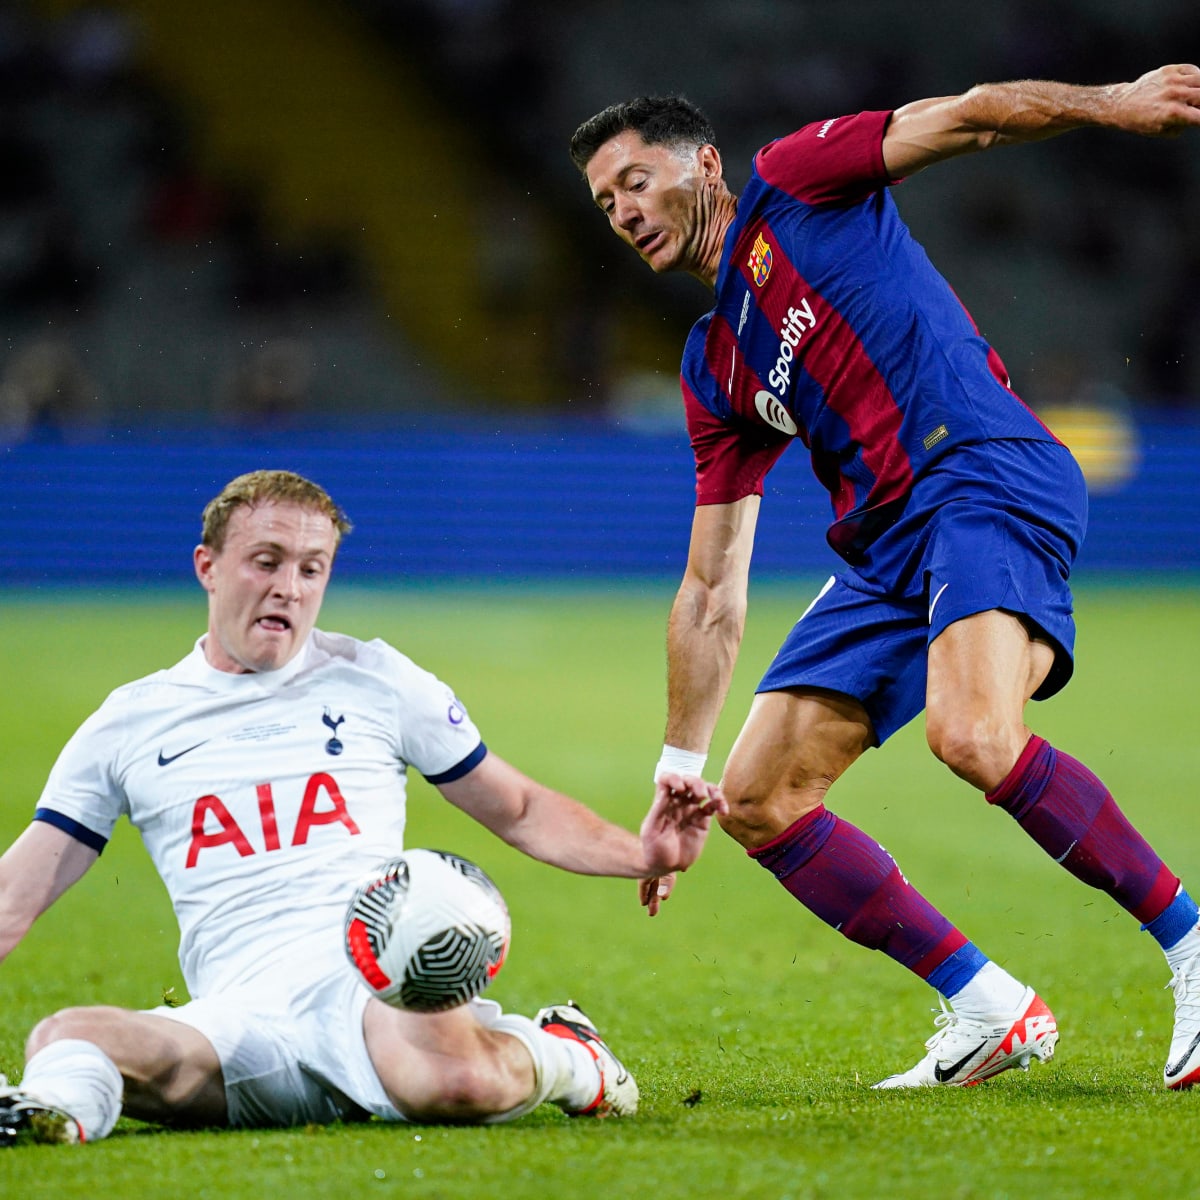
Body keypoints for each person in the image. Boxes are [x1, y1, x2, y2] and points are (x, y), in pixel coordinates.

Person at [568, 64, 1200, 1089]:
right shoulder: (714, 363)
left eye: (635, 181)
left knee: (974, 734)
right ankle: (988, 1006)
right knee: (757, 798)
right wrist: (678, 766)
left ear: (705, 164)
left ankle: (1192, 944)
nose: (624, 212)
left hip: (980, 472)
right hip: (888, 545)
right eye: (605, 204)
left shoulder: (795, 183)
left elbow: (973, 118)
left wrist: (1113, 103)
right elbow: (710, 589)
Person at [0, 469, 726, 1146]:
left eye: (311, 569)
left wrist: (643, 854)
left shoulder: (375, 681)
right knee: (68, 1037)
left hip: (378, 987)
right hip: (238, 1023)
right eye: (266, 561)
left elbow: (520, 808)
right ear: (208, 566)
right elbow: (14, 897)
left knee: (455, 1082)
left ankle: (571, 1055)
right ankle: (47, 1115)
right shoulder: (129, 723)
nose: (289, 588)